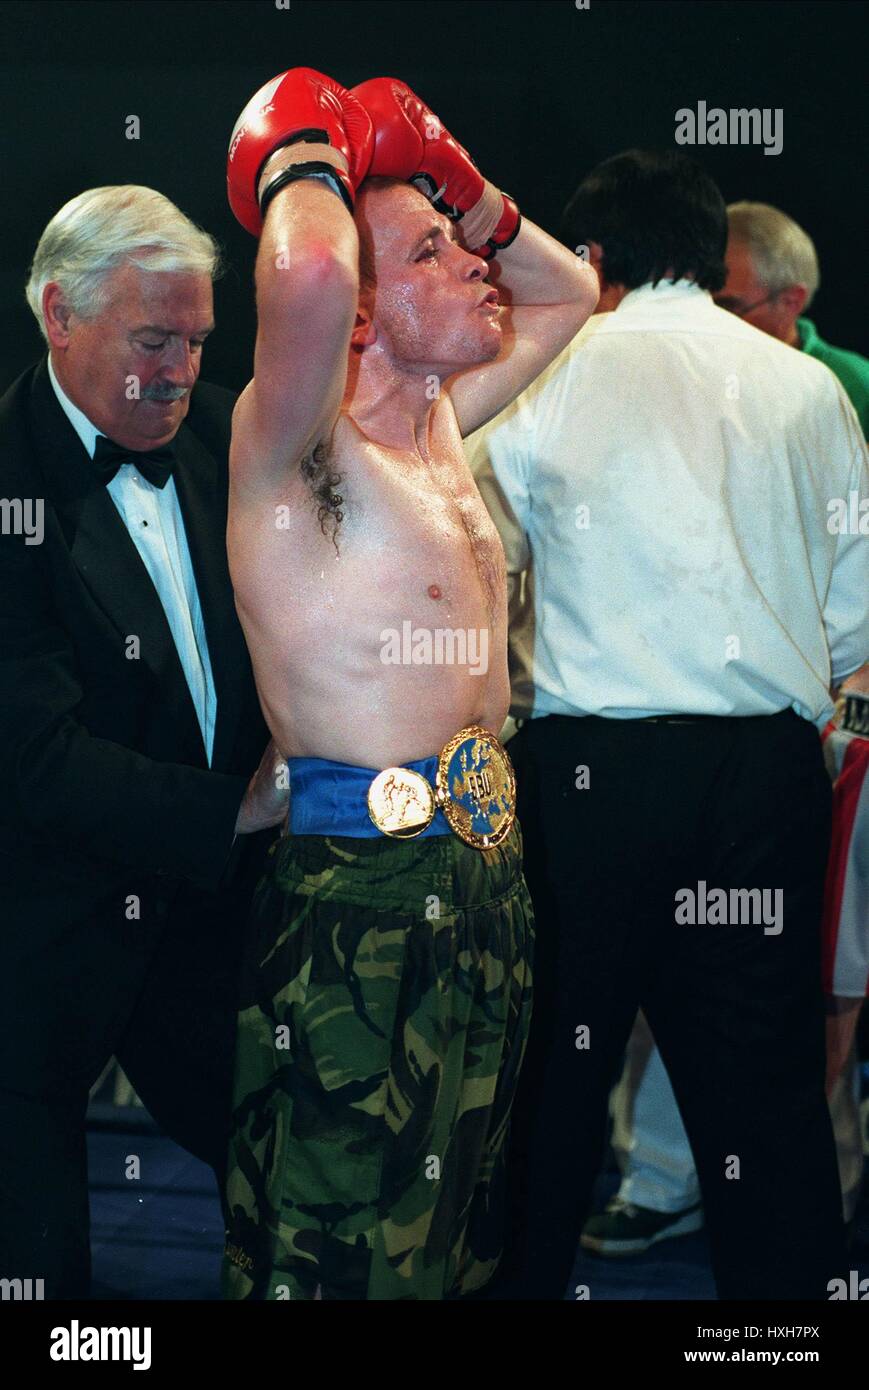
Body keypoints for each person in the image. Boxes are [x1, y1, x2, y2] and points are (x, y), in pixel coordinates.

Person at [219, 66, 598, 1301]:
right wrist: (305, 156)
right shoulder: (295, 454)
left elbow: (569, 288)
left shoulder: (436, 419)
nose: (474, 263)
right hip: (360, 893)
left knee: (448, 1236)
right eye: (432, 252)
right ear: (366, 320)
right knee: (330, 1249)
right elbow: (312, 274)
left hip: (483, 874)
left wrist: (458, 179)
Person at [465, 149, 869, 1299]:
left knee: (545, 1089)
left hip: (589, 780)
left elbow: (476, 565)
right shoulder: (805, 387)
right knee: (768, 1106)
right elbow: (850, 615)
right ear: (707, 252)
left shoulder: (542, 374)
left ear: (589, 258)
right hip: (762, 779)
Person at [0, 185, 287, 1299]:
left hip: (215, 922)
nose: (178, 370)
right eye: (153, 339)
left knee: (285, 1207)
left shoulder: (228, 433)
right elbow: (37, 760)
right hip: (44, 927)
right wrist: (237, 808)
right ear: (57, 313)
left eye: (199, 341)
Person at [590, 202, 869, 1260]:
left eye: (730, 302)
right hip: (734, 742)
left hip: (818, 736)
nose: (704, 317)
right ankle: (674, 1178)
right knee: (714, 982)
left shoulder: (832, 392)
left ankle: (809, 1190)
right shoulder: (666, 381)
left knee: (818, 985)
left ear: (788, 304)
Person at [717, 202, 869, 437]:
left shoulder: (852, 384)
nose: (710, 320)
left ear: (791, 301)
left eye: (727, 308)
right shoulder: (693, 368)